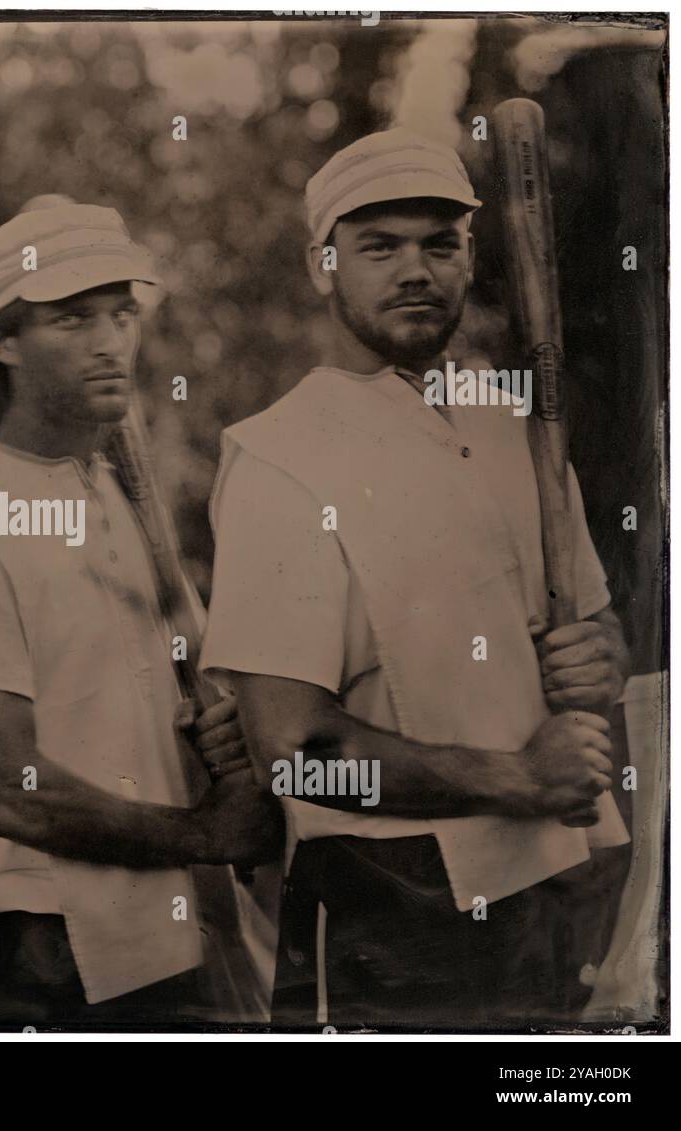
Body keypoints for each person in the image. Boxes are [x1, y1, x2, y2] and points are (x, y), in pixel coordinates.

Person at [200, 128, 630, 1030]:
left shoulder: (516, 423)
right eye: (379, 245)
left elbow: (598, 634)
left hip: (556, 882)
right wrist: (514, 776)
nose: (416, 270)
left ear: (471, 254)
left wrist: (599, 657)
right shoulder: (281, 459)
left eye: (440, 243)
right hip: (387, 915)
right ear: (323, 264)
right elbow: (293, 754)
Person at [0, 197, 281, 1028]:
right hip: (26, 957)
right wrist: (203, 831)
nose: (110, 344)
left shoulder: (120, 492)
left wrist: (219, 739)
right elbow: (7, 794)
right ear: (2, 340)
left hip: (167, 931)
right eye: (72, 320)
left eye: (121, 315)